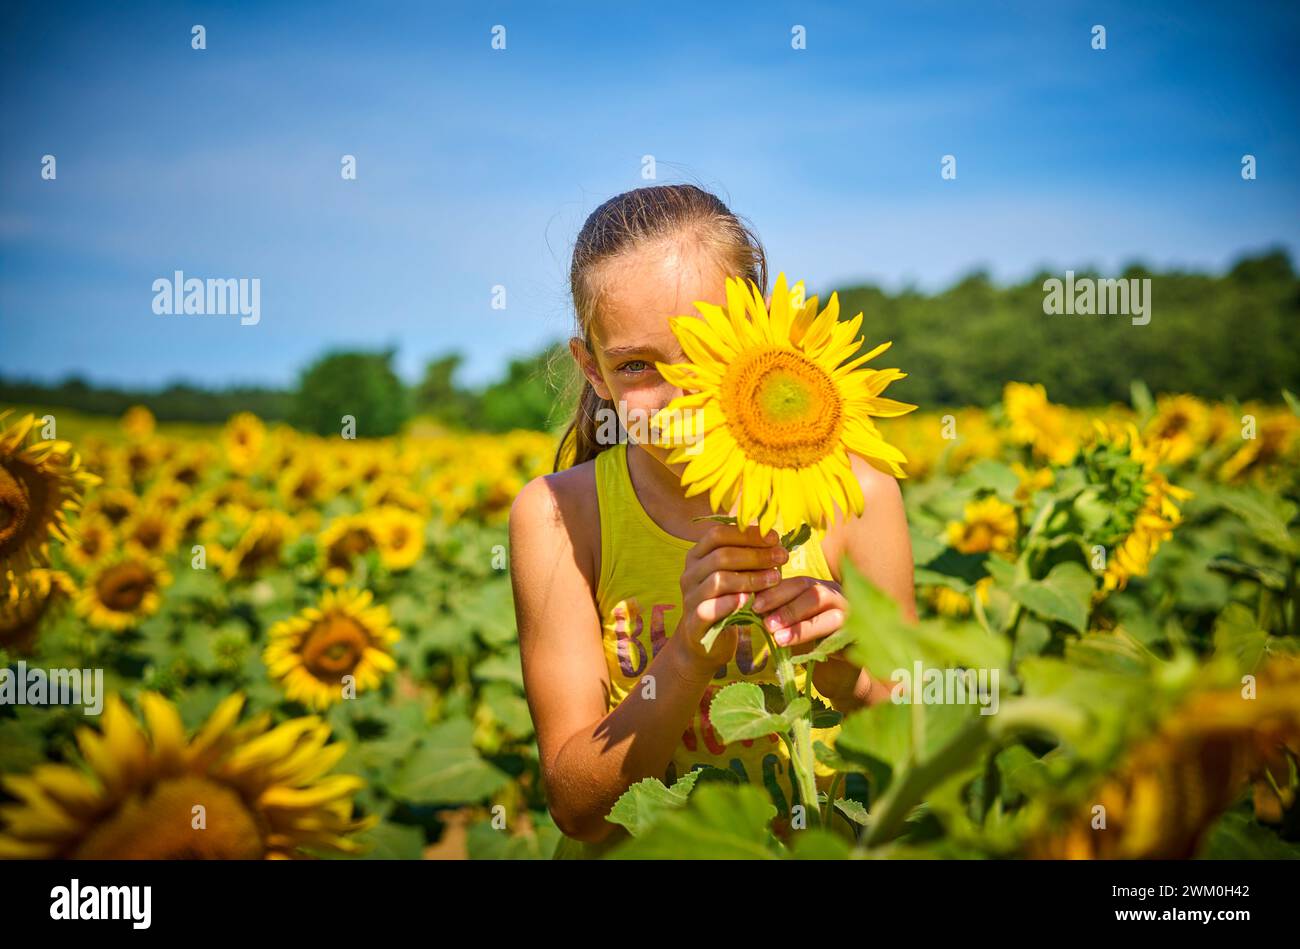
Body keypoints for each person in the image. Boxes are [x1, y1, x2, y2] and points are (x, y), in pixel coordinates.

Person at [508, 184, 917, 857]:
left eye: (705, 354)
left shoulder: (855, 492)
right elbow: (577, 808)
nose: (679, 399)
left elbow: (918, 741)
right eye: (637, 366)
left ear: (760, 328)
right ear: (594, 370)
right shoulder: (560, 516)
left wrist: (849, 674)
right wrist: (689, 655)